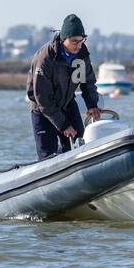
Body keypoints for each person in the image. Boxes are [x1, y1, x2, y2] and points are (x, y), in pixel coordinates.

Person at [27, 14, 102, 159]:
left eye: (81, 41)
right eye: (74, 41)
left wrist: (92, 104)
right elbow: (43, 99)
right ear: (63, 39)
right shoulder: (45, 58)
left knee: (79, 147)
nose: (78, 45)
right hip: (43, 111)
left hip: (67, 104)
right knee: (48, 155)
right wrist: (63, 125)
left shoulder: (82, 55)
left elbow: (88, 82)